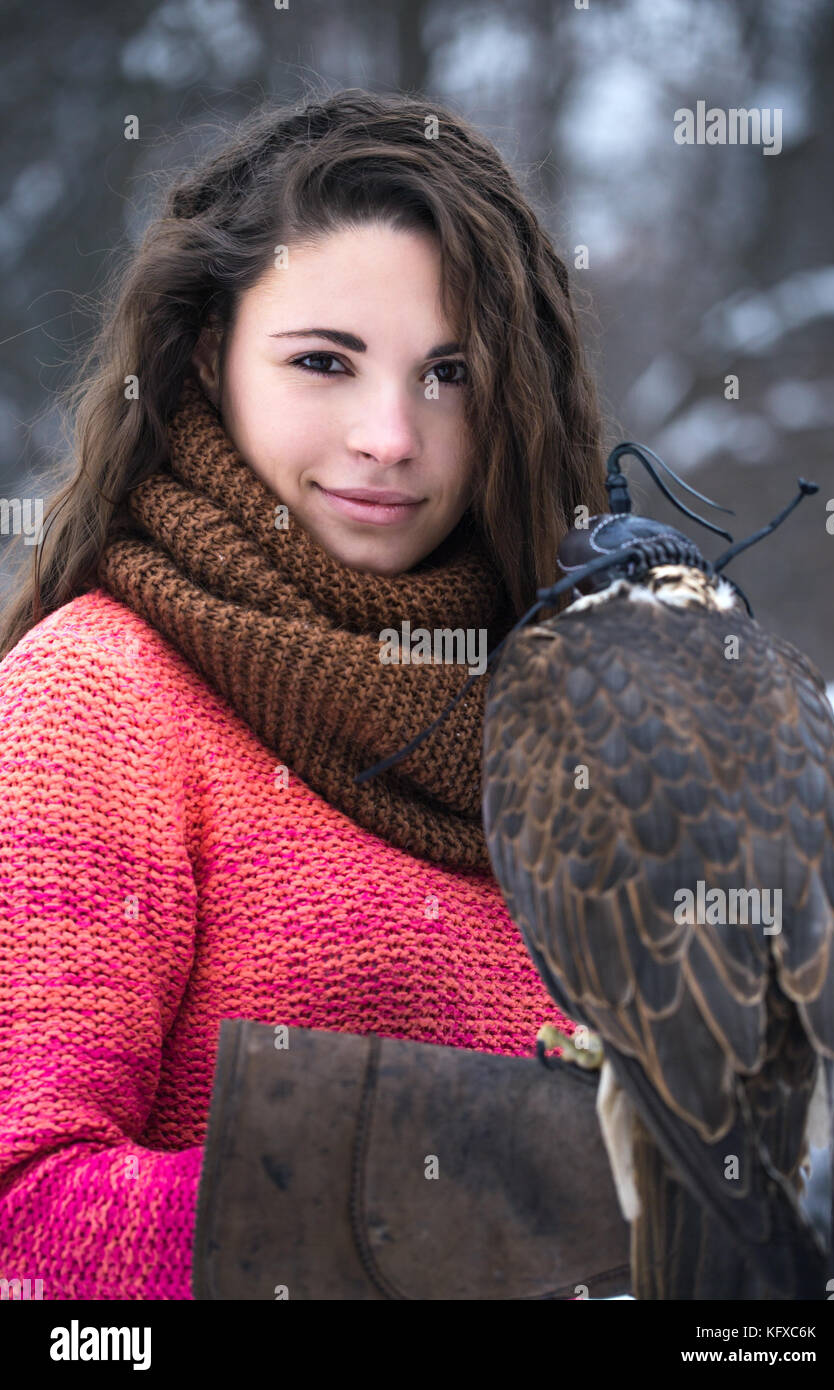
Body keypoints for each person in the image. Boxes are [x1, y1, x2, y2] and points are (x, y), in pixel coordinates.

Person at [0, 88, 613, 1300]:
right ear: (205, 356)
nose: (390, 433)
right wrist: (442, 1185)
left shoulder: (574, 716)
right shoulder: (98, 697)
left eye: (449, 373)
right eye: (323, 362)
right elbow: (23, 1223)